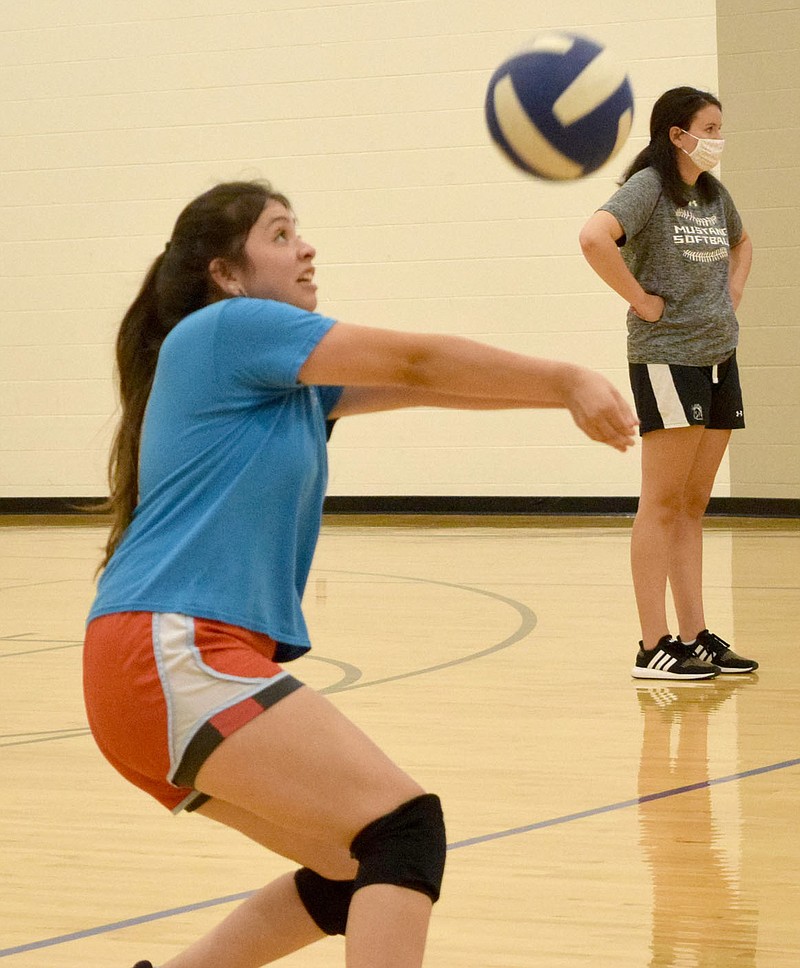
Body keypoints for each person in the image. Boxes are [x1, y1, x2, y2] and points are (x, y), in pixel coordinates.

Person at [83, 179, 638, 968]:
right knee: (401, 829)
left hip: (148, 666)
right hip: (172, 648)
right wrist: (565, 379)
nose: (306, 248)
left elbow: (421, 379)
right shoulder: (230, 330)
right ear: (226, 274)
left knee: (351, 866)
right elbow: (414, 357)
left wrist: (557, 399)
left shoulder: (277, 378)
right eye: (280, 236)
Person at [579, 86, 759, 681]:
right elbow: (592, 237)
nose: (718, 138)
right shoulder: (649, 187)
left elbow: (743, 242)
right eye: (709, 127)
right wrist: (640, 300)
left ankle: (694, 634)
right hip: (667, 360)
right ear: (678, 136)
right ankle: (652, 644)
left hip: (719, 357)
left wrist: (730, 294)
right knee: (660, 503)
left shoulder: (712, 193)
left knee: (693, 504)